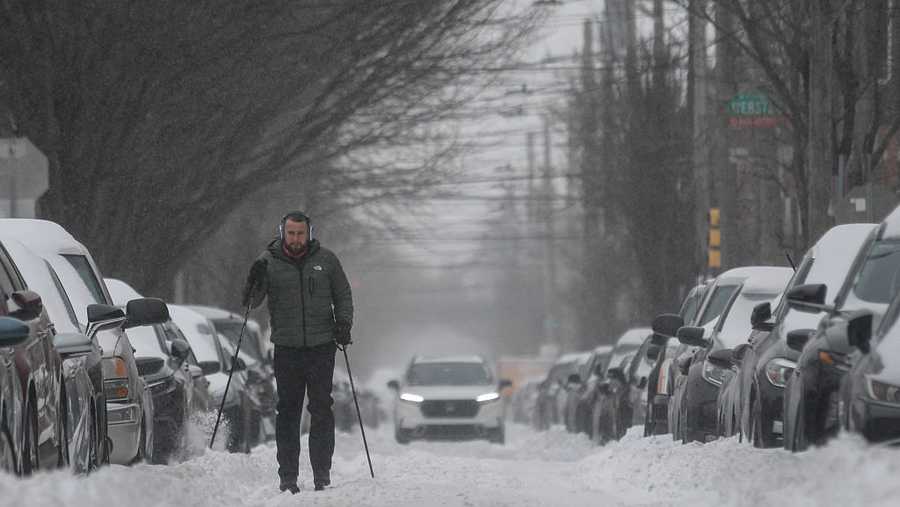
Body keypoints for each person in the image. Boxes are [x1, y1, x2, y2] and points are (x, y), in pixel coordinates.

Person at [242, 210, 353, 494]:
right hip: (287, 348)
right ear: (283, 233)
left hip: (321, 347)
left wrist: (343, 324)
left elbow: (343, 294)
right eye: (290, 233)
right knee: (288, 411)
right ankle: (288, 476)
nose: (295, 239)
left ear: (309, 233)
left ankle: (321, 474)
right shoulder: (268, 262)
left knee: (321, 409)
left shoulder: (327, 260)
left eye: (300, 233)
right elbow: (252, 302)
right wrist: (253, 280)